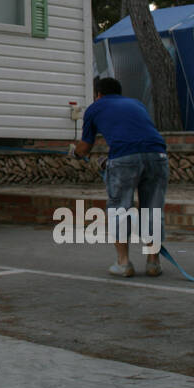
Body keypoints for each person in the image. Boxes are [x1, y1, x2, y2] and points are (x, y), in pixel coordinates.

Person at [72, 77, 168, 278]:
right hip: (157, 155)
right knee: (153, 208)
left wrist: (74, 153)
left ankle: (124, 263)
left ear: (98, 94)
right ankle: (153, 262)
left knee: (119, 209)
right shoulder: (136, 104)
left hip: (124, 159)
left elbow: (85, 147)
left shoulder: (95, 108)